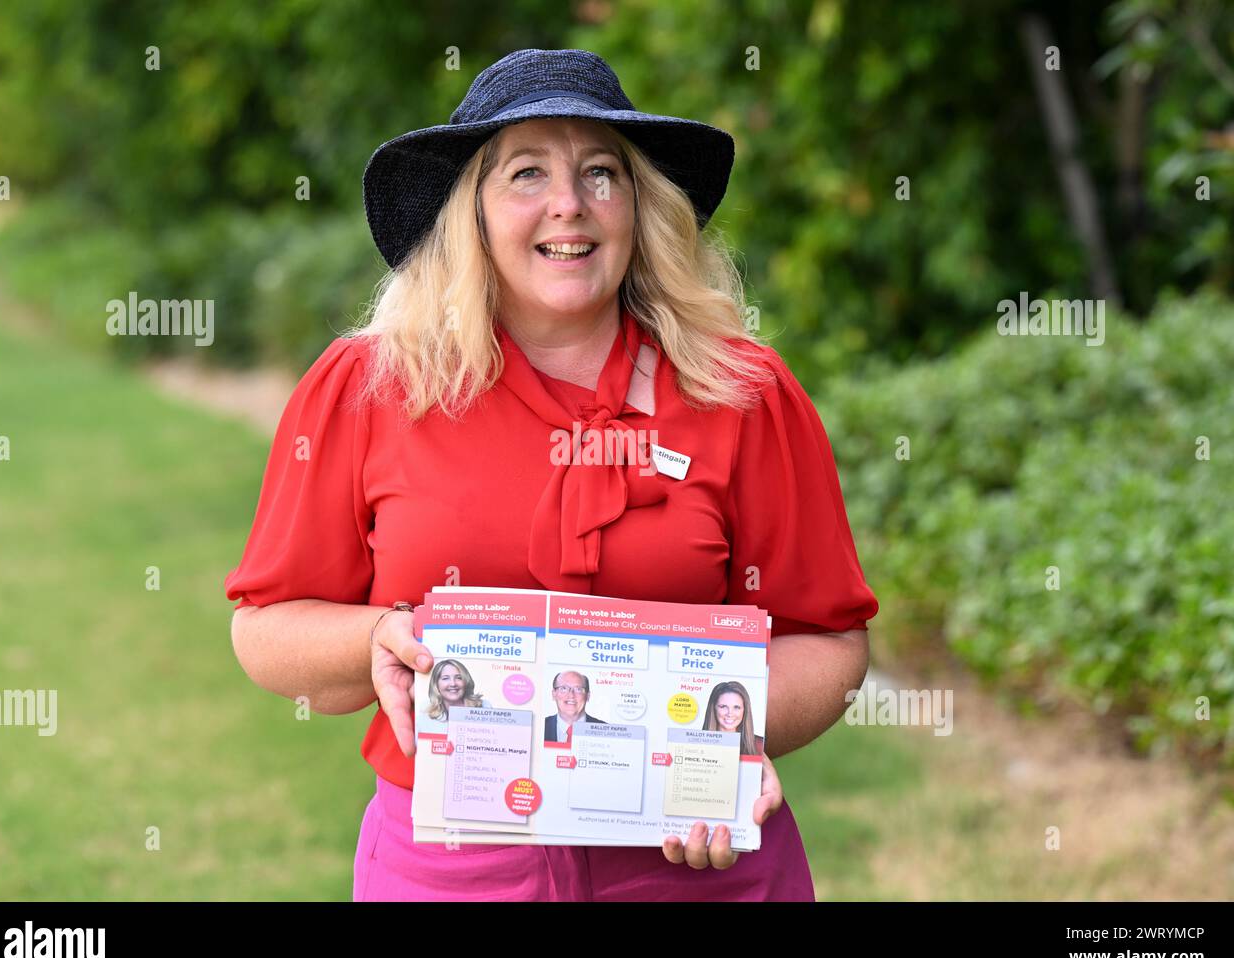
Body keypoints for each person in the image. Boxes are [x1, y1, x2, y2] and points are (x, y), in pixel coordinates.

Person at [226, 48, 878, 902]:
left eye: (601, 173)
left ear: (639, 208)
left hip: (699, 873)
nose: (569, 204)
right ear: (472, 212)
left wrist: (732, 742)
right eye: (526, 172)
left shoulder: (742, 392)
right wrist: (374, 637)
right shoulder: (369, 388)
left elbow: (830, 639)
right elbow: (265, 627)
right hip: (450, 876)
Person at [702, 681, 764, 756]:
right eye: (723, 706)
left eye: (736, 707)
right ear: (713, 708)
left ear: (744, 710)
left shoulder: (759, 745)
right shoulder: (696, 741)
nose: (730, 713)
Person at [544, 670, 605, 742]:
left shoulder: (604, 731)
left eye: (578, 689)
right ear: (554, 694)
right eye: (564, 688)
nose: (571, 695)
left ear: (588, 696)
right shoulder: (540, 726)